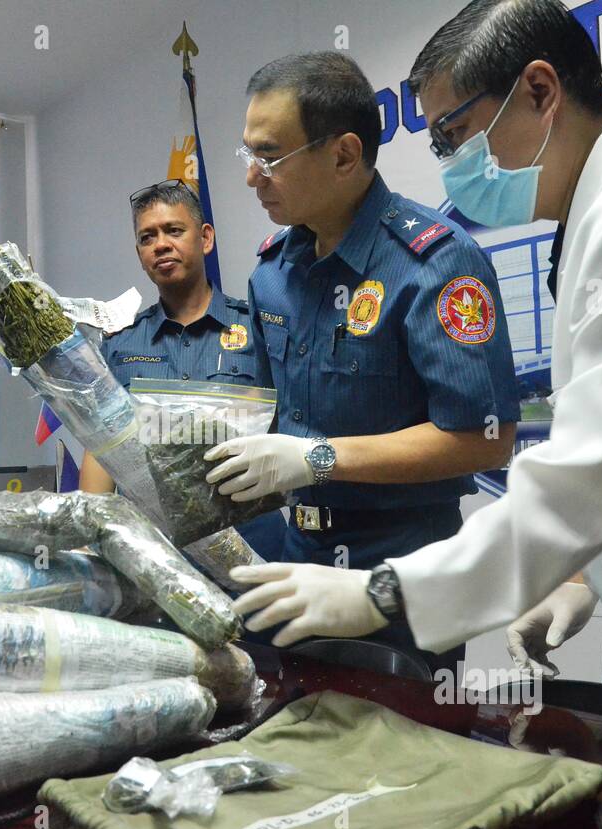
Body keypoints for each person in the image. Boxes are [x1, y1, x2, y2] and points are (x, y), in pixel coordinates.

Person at [229, 0, 602, 763]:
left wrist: (382, 592)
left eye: (453, 133)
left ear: (541, 92)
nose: (451, 162)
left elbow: (584, 473)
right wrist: (583, 578)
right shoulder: (601, 218)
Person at [205, 52, 521, 669]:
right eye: (249, 156)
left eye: (269, 157)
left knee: (398, 752)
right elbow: (267, 416)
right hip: (294, 552)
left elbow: (485, 441)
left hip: (399, 568)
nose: (252, 177)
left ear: (345, 154)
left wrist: (318, 458)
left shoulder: (432, 262)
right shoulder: (273, 271)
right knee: (289, 739)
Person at [79, 179, 286, 560]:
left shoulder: (259, 329)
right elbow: (103, 448)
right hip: (156, 549)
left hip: (254, 543)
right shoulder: (121, 342)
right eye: (147, 237)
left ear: (205, 238)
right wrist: (88, 546)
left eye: (174, 230)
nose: (160, 244)